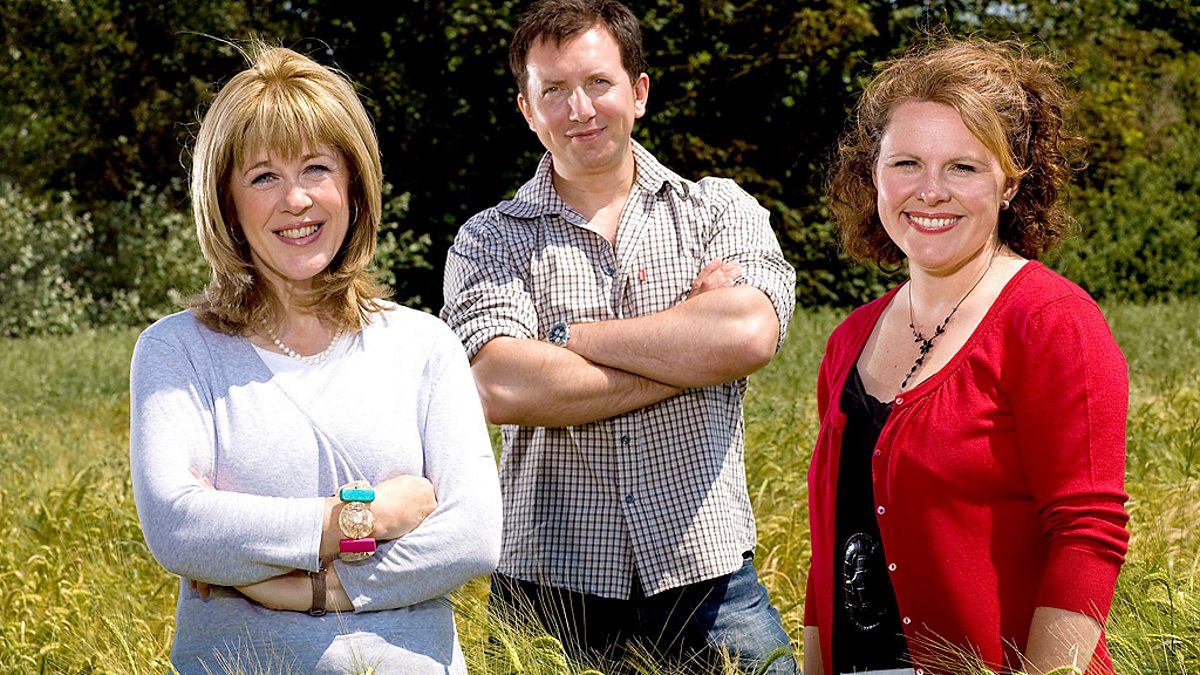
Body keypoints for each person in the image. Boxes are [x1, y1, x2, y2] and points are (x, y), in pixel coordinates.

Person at [440, 1, 798, 672]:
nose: (580, 108)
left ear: (637, 92)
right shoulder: (488, 237)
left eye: (599, 83)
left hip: (712, 585)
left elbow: (748, 333)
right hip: (548, 598)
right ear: (528, 109)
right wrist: (689, 353)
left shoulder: (720, 209)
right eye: (554, 90)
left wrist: (566, 337)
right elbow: (500, 382)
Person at [129, 43, 502, 674]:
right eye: (264, 176)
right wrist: (369, 516)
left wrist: (315, 590)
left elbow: (472, 538)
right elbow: (179, 527)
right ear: (227, 203)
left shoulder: (424, 344)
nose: (296, 200)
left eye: (317, 169)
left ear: (353, 187)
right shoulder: (176, 350)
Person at [804, 36, 1130, 675]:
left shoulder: (1051, 321)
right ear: (872, 173)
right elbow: (826, 555)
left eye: (963, 167)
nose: (929, 192)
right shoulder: (849, 340)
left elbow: (1086, 536)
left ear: (1010, 182)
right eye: (905, 164)